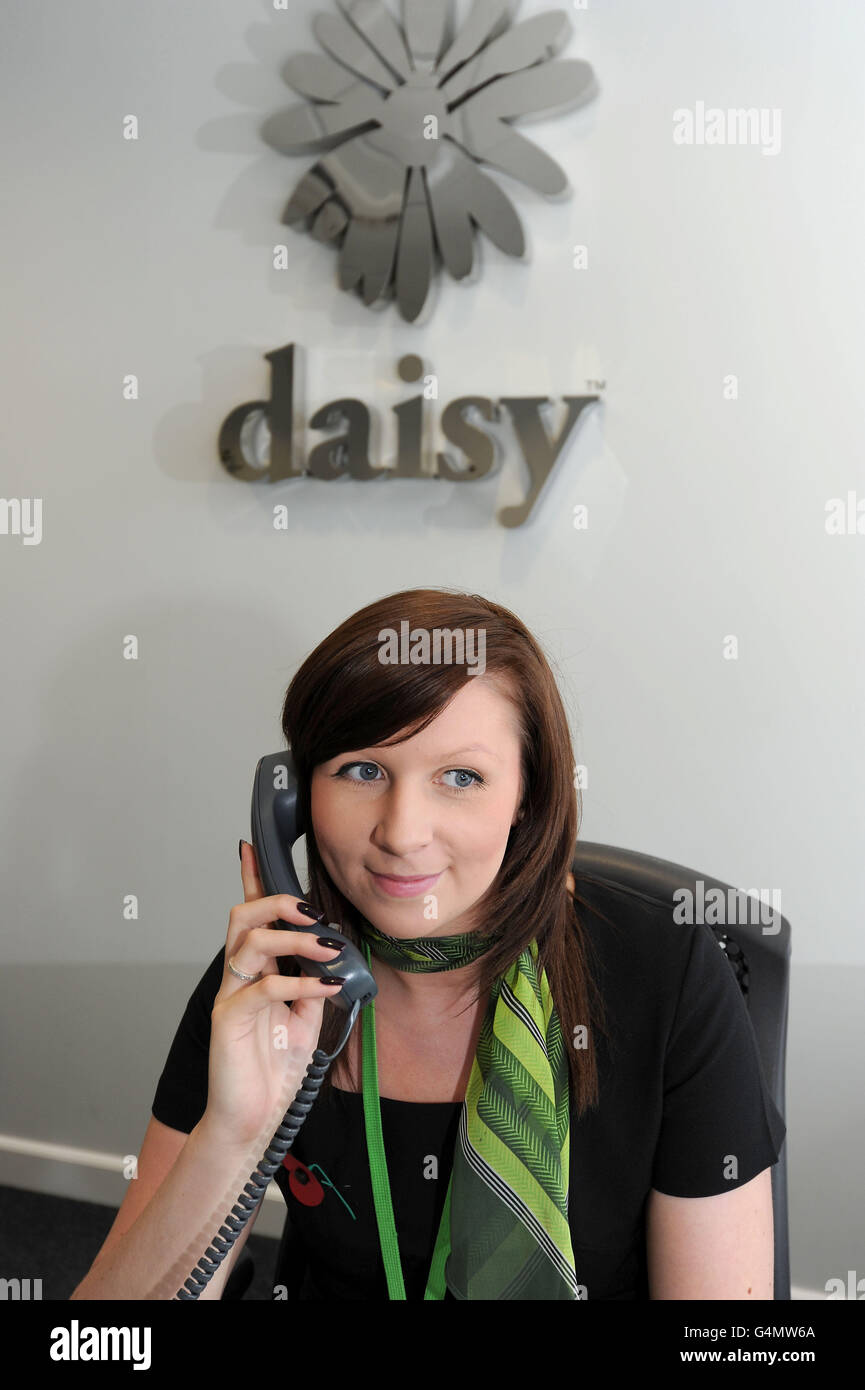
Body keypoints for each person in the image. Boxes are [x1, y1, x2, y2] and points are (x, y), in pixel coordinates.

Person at [71, 587, 786, 1300]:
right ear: (290, 797)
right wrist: (234, 1134)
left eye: (460, 777)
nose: (401, 832)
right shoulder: (273, 983)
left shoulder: (663, 972)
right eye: (362, 770)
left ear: (527, 798)